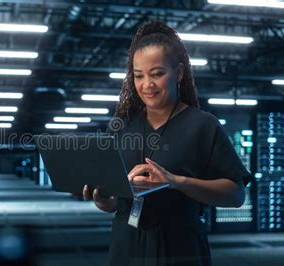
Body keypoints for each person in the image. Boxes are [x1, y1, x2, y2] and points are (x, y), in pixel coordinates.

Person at [82, 20, 252, 266]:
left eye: (157, 74)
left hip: (180, 245)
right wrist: (102, 200)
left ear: (179, 73)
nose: (146, 85)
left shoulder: (203, 126)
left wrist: (176, 182)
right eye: (138, 76)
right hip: (126, 244)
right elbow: (116, 202)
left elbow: (236, 195)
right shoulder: (122, 126)